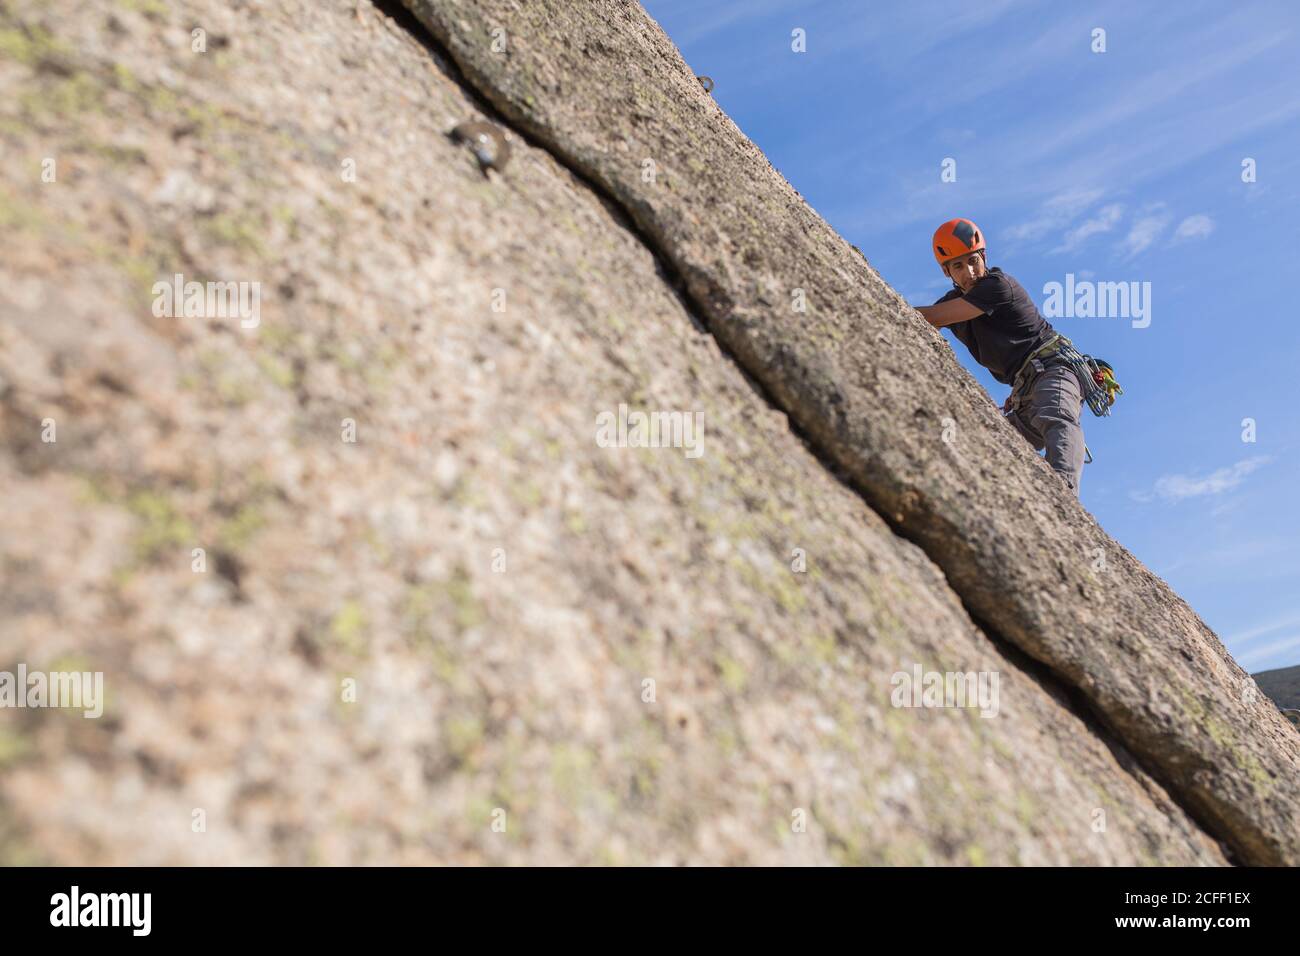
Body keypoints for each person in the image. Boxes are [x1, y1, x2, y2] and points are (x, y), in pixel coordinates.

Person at [913, 218, 1087, 495]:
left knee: (1056, 417)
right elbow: (926, 319)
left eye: (973, 260)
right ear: (947, 271)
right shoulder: (953, 303)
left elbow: (933, 317)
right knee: (995, 443)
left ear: (983, 256)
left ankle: (1064, 491)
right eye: (958, 266)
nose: (969, 271)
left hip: (1055, 369)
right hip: (1024, 391)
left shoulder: (998, 286)